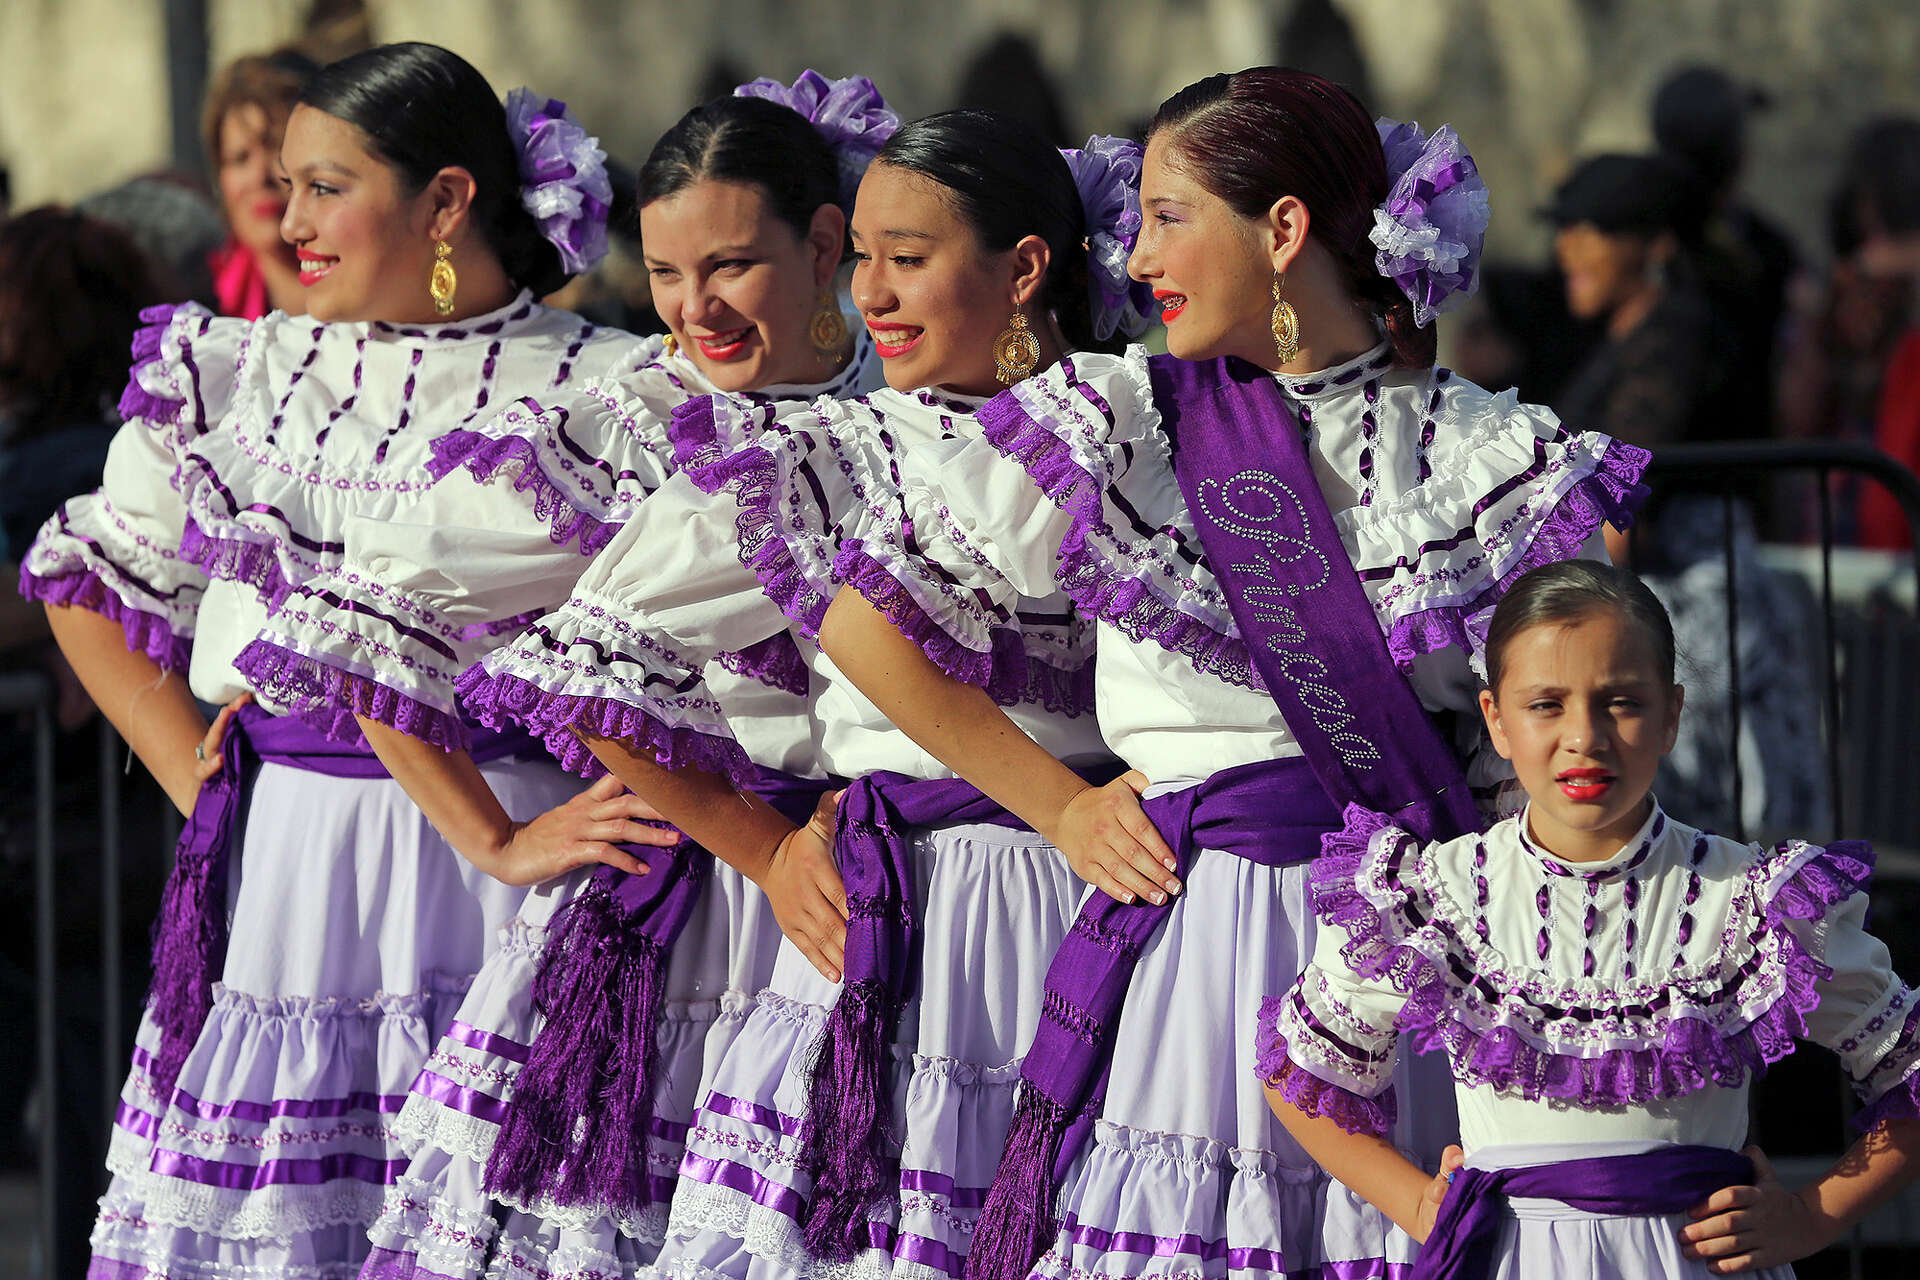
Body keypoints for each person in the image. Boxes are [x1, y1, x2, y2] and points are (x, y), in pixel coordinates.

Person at [803, 68, 1648, 1280]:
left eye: (1167, 215)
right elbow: (862, 620)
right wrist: (1063, 805)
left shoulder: (1488, 460)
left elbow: (1573, 746)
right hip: (1201, 942)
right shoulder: (1131, 424)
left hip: (1410, 951)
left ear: (1285, 230)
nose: (1137, 257)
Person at [20, 42, 669, 1278]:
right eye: (283, 184)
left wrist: (527, 829)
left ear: (445, 200)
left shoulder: (608, 384)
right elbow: (84, 584)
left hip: (513, 865)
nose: (285, 215)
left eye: (326, 186)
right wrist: (200, 781)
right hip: (297, 873)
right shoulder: (244, 374)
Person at [461, 110, 1138, 1280]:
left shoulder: (1131, 429)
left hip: (1105, 905)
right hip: (912, 907)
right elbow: (586, 668)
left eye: (907, 258)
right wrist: (767, 851)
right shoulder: (826, 454)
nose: (872, 290)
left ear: (1027, 267)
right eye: (863, 256)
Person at [244, 71, 896, 1280]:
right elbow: (373, 603)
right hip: (703, 914)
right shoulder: (635, 420)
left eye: (730, 267)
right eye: (663, 276)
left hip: (890, 895)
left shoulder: (914, 401)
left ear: (825, 242)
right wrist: (499, 841)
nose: (696, 309)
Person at [1261, 560, 1920, 1278]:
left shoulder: (1750, 899)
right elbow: (1302, 1071)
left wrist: (1807, 1218)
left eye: (1621, 702)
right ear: (1496, 720)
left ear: (1671, 715)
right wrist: (1417, 1203)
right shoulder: (1437, 894)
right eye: (1547, 704)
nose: (1585, 736)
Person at [203, 49, 321, 318]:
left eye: (279, 149)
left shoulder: (387, 300)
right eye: (239, 158)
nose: (259, 177)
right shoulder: (205, 314)